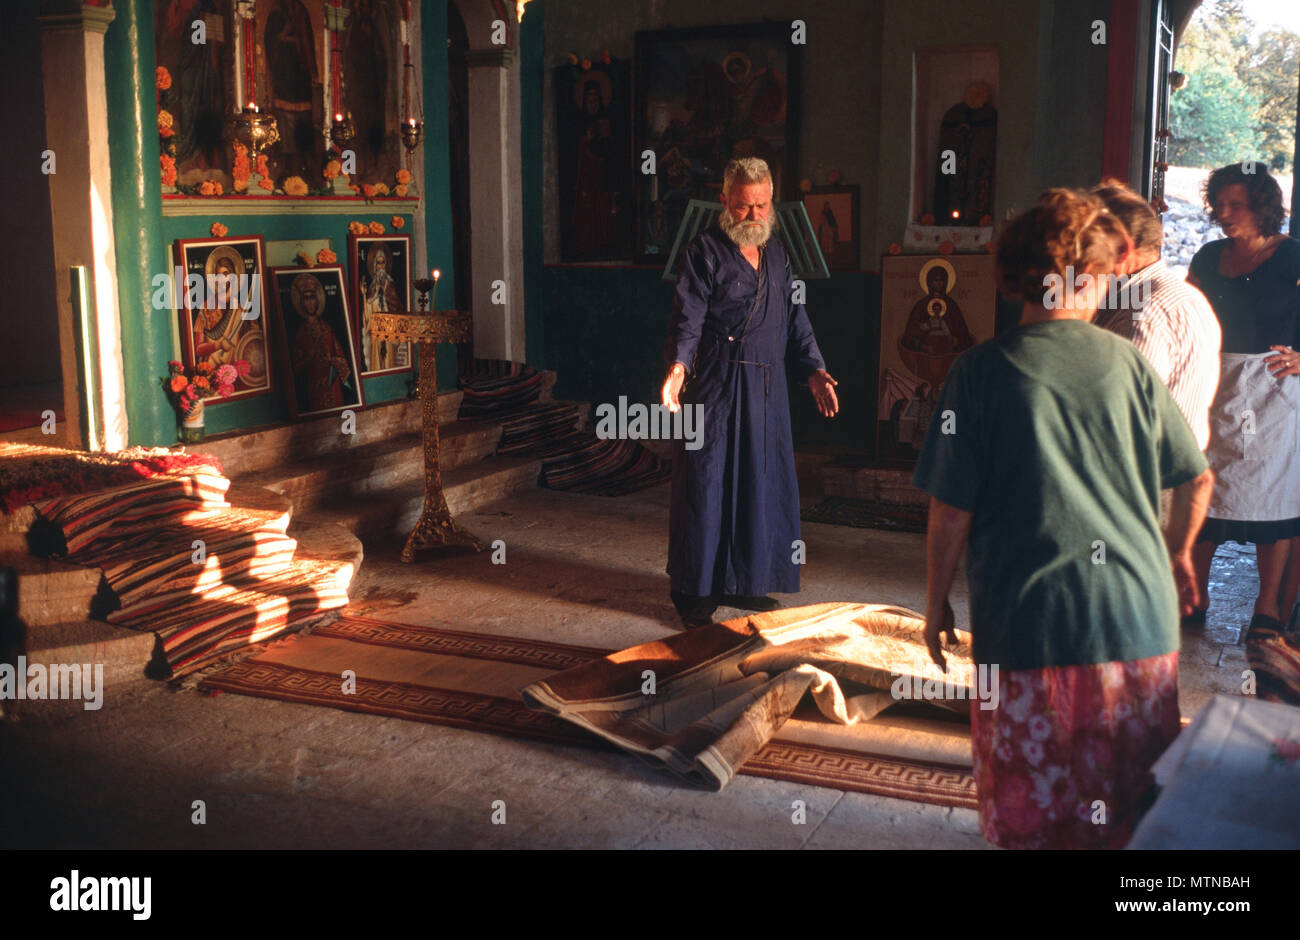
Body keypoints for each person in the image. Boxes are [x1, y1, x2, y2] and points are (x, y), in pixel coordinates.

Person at [915, 189, 1214, 849]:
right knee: (1134, 815)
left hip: (1032, 629)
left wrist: (936, 604)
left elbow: (950, 509)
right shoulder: (1131, 365)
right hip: (1139, 623)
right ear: (1102, 273)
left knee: (1037, 820)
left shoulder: (980, 372)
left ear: (1016, 273)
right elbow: (1197, 479)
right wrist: (1176, 555)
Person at [662, 157, 839, 628]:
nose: (754, 217)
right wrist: (679, 366)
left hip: (768, 389)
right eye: (743, 207)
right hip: (717, 385)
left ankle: (748, 582)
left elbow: (796, 318)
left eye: (762, 206)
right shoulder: (703, 252)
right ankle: (695, 593)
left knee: (761, 484)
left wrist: (815, 370)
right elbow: (689, 317)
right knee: (707, 484)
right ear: (724, 202)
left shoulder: (779, 255)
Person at [1187, 164, 1300, 638]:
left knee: (1271, 499)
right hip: (1215, 383)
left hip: (1274, 392)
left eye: (1237, 204)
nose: (1224, 213)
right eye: (1220, 204)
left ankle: (1267, 606)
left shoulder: (1291, 255)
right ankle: (1193, 595)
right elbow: (1187, 315)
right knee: (1205, 491)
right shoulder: (1210, 256)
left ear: (1262, 207)